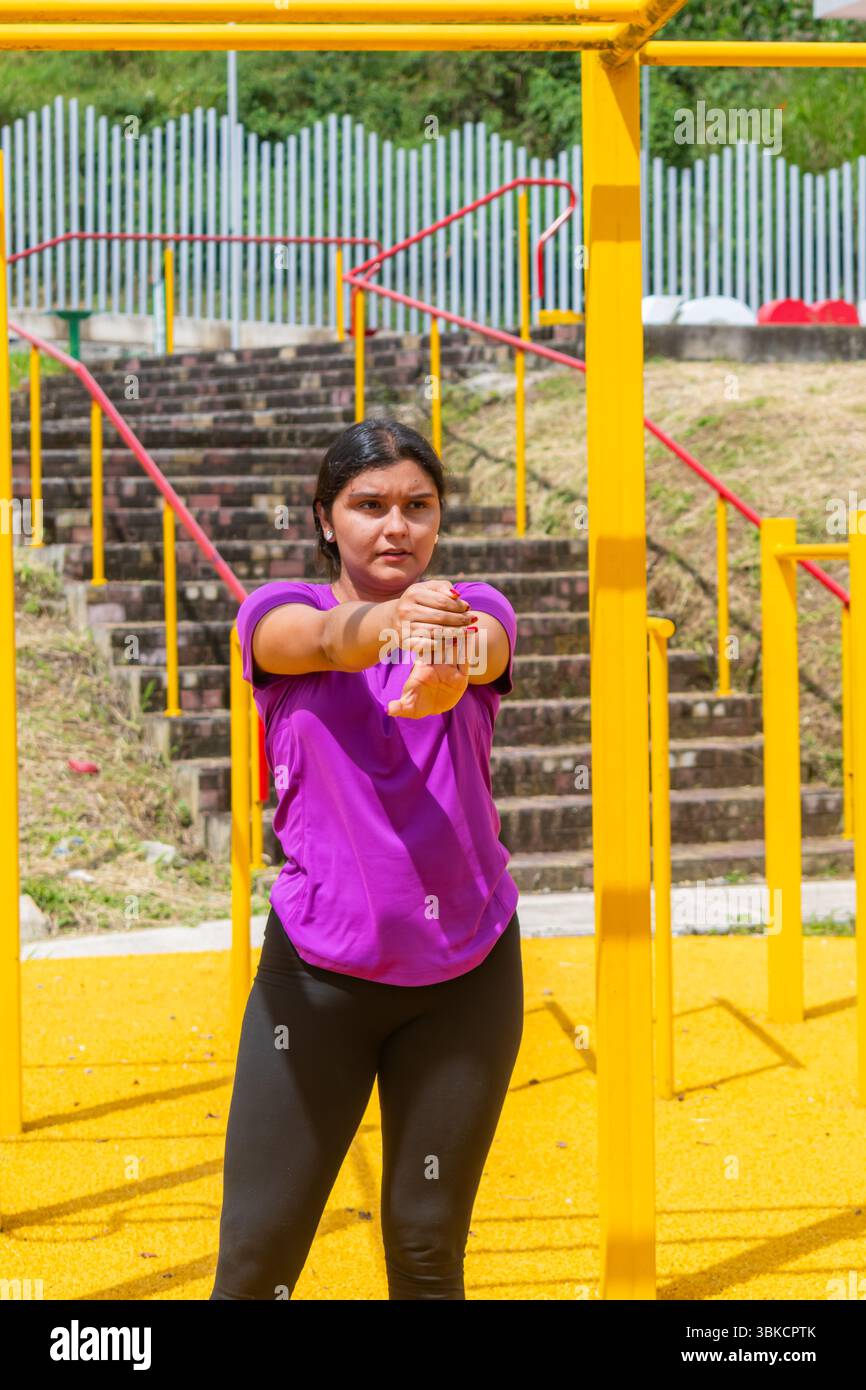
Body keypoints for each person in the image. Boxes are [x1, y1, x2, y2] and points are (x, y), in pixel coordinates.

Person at [209, 417, 524, 1300]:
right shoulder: (275, 614)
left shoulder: (476, 609)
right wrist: (389, 624)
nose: (397, 527)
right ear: (325, 517)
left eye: (418, 507)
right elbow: (326, 641)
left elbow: (481, 651)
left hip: (466, 976)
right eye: (370, 505)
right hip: (316, 983)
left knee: (427, 1256)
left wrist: (445, 659)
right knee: (257, 1260)